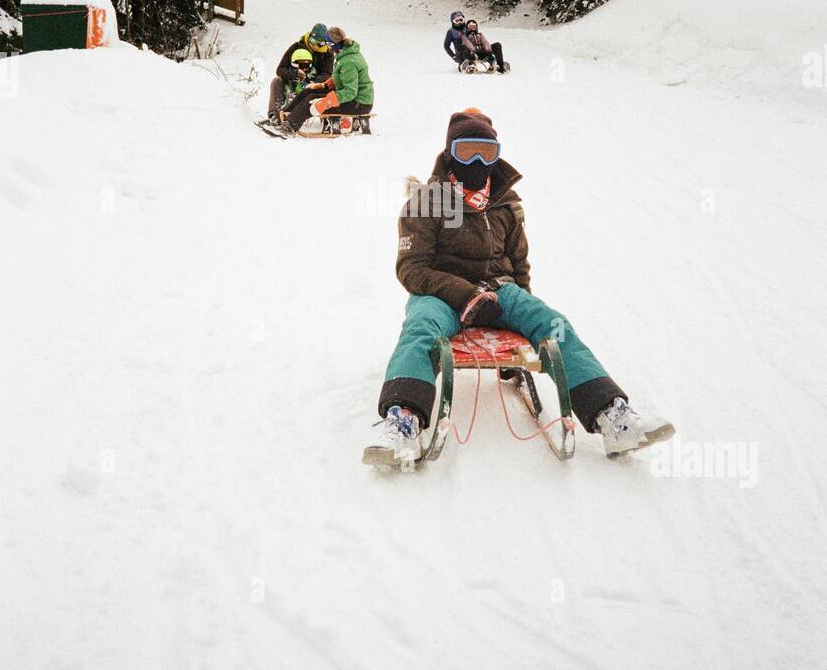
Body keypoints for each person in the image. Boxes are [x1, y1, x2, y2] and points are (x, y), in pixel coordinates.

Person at [365, 108, 674, 467]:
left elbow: (518, 262)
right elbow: (412, 268)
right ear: (450, 152)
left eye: (487, 151)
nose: (478, 161)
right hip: (442, 294)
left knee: (552, 322)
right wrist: (464, 294)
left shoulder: (505, 203)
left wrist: (523, 313)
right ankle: (402, 422)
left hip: (500, 290)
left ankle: (612, 416)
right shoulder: (426, 201)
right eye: (467, 151)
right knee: (420, 328)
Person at [276, 26, 374, 136]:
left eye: (326, 43)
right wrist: (327, 84)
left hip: (358, 103)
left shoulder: (349, 61)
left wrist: (326, 102)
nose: (326, 47)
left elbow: (350, 92)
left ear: (333, 45)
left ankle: (290, 126)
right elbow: (344, 77)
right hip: (349, 98)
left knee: (311, 101)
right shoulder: (344, 54)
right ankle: (286, 116)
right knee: (307, 92)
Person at [266, 23, 333, 124]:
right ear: (309, 37)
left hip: (314, 83)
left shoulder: (327, 54)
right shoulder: (297, 47)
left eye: (319, 44)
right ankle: (274, 116)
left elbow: (327, 74)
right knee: (277, 81)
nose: (314, 46)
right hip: (294, 81)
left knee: (330, 87)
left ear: (324, 43)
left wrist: (313, 82)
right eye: (312, 41)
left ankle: (329, 120)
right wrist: (293, 73)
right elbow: (280, 69)